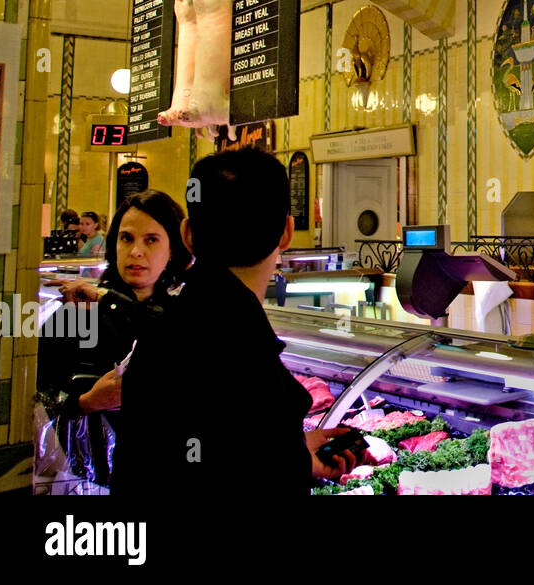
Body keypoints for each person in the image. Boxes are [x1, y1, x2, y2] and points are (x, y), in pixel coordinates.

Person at [111, 149, 360, 495]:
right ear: (286, 233)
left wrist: (290, 454)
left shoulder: (168, 328)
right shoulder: (242, 343)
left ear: (186, 234)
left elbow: (197, 454)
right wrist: (289, 460)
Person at [37, 190, 191, 489]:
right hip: (84, 480)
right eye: (126, 238)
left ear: (172, 249)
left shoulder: (179, 317)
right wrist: (85, 402)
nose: (136, 251)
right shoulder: (77, 312)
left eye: (151, 240)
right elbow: (40, 398)